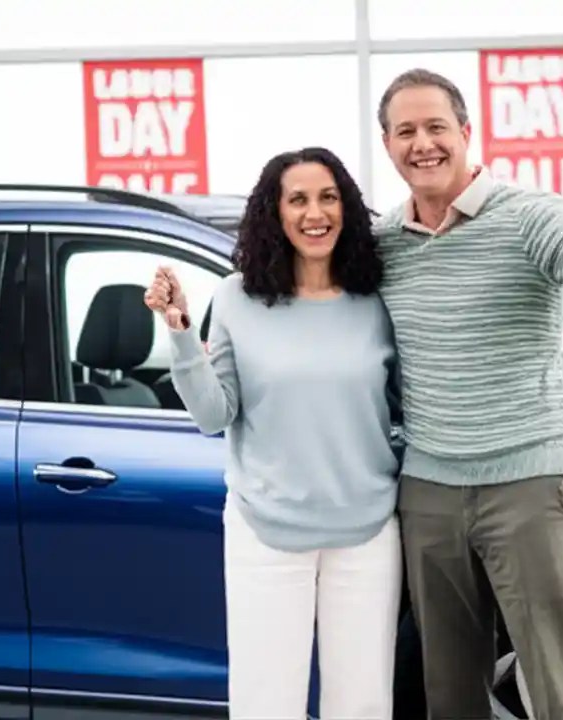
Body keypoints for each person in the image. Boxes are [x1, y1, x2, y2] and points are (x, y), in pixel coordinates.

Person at [374, 68, 563, 720]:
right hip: (429, 490)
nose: (423, 143)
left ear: (465, 133)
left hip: (525, 483)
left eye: (436, 127)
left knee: (561, 691)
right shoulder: (382, 245)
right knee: (452, 696)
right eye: (405, 131)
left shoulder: (527, 216)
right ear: (388, 145)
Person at [143, 146, 402, 720]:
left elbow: (407, 406)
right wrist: (182, 334)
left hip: (367, 531)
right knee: (267, 705)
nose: (316, 213)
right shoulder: (236, 298)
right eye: (299, 199)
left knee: (362, 705)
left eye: (329, 197)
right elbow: (214, 413)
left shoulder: (377, 299)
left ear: (348, 209)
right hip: (266, 530)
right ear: (275, 213)